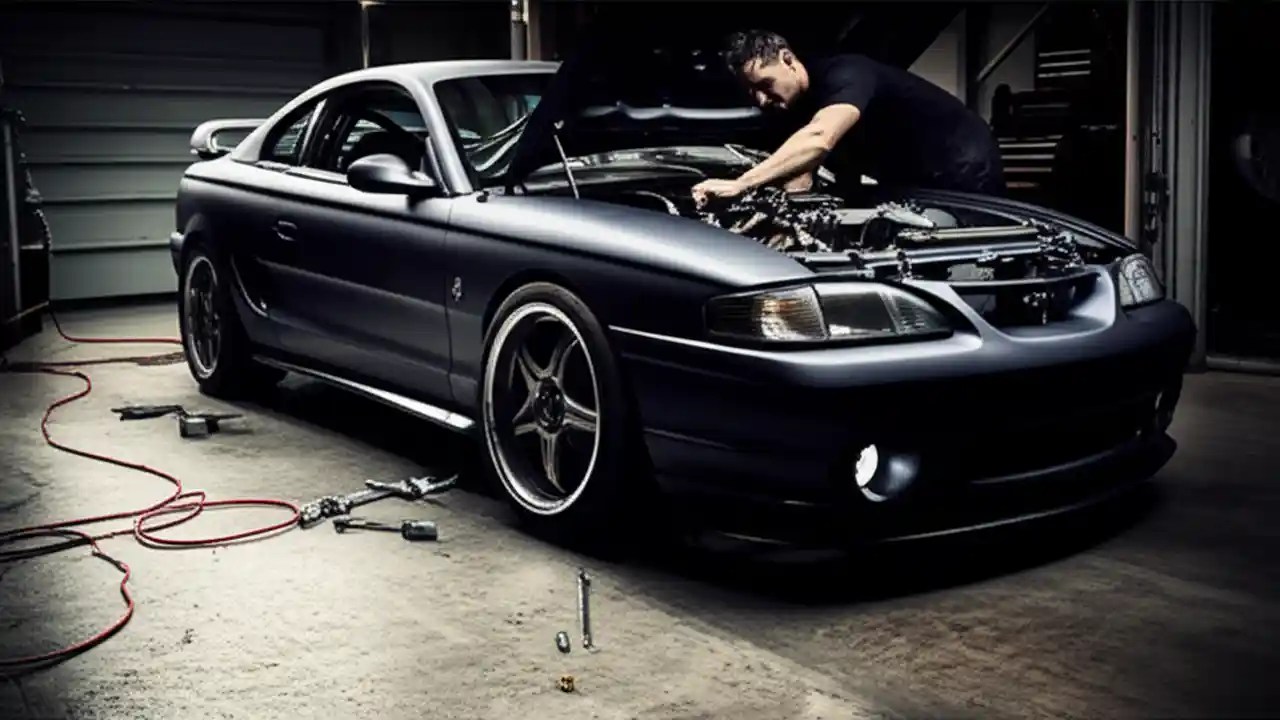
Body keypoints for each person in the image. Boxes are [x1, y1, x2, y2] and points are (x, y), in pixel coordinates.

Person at [691, 29, 1006, 206]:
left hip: (962, 160)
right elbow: (799, 175)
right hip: (908, 174)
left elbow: (819, 139)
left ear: (788, 60)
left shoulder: (847, 73)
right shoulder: (789, 109)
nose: (760, 99)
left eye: (765, 84)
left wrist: (741, 185)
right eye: (751, 92)